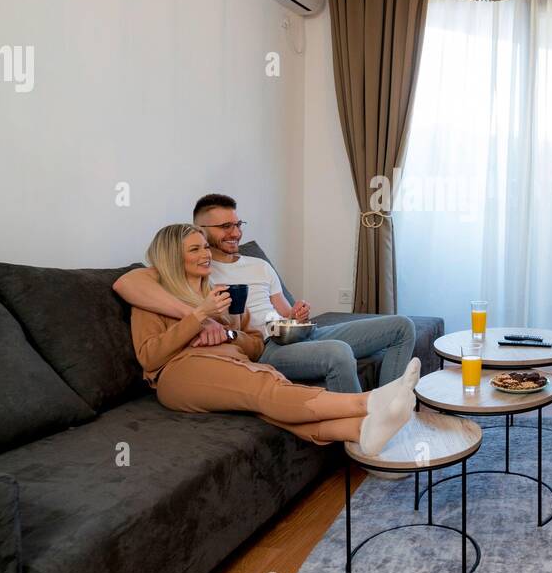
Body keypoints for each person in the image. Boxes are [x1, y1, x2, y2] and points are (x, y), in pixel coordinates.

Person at [130, 223, 418, 454]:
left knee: (270, 401)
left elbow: (254, 345)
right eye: (195, 249)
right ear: (173, 257)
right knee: (264, 386)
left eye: (205, 246)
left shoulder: (219, 294)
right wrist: (197, 319)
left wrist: (228, 332)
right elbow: (150, 357)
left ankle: (359, 434)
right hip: (181, 372)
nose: (206, 254)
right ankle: (371, 404)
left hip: (235, 365)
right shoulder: (155, 299)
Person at [114, 193, 415, 393]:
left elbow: (285, 312)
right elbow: (128, 283)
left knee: (402, 326)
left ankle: (391, 404)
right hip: (266, 348)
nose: (235, 232)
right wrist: (202, 319)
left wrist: (297, 315)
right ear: (200, 229)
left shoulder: (258, 265)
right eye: (224, 226)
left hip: (297, 336)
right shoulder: (195, 268)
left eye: (237, 223)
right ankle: (364, 426)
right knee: (339, 353)